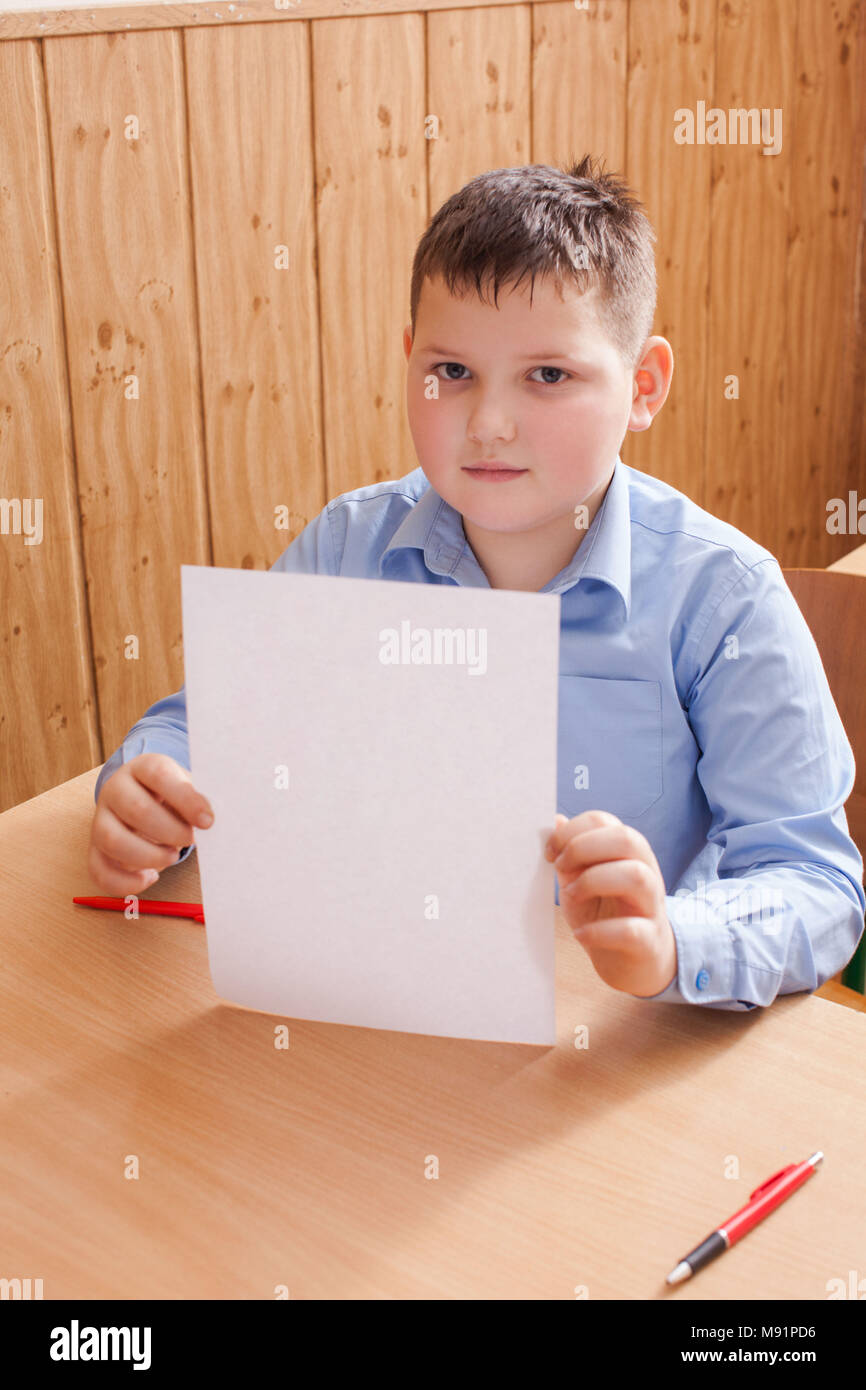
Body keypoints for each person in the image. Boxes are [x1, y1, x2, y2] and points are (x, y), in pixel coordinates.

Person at [89, 156, 865, 1010]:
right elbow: (206, 727)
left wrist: (677, 940)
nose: (489, 425)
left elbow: (812, 882)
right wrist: (150, 786)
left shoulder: (725, 599)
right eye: (452, 372)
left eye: (549, 375)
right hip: (373, 1010)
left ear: (643, 387)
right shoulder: (348, 546)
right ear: (410, 361)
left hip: (615, 1044)